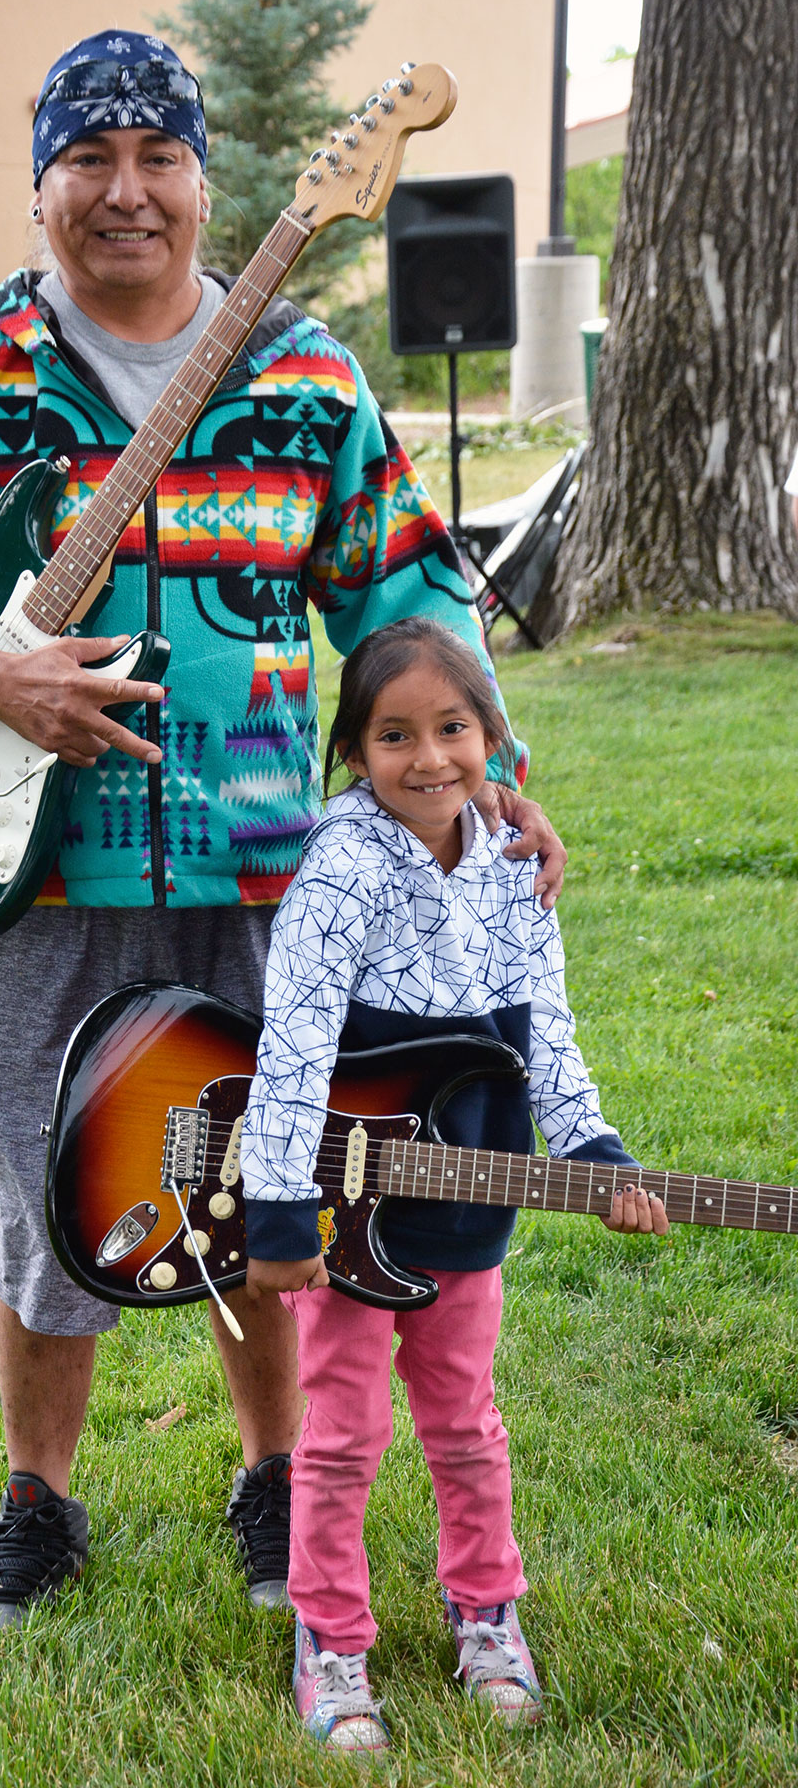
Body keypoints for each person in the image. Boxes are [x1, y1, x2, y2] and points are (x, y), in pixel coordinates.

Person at [0, 28, 566, 1632]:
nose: (126, 194)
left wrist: (481, 765)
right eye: (91, 162)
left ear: (208, 184)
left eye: (159, 161)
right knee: (34, 1190)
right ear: (45, 184)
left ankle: (274, 1483)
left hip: (275, 871)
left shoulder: (306, 379)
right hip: (33, 876)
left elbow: (405, 590)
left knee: (274, 1181)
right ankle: (39, 1502)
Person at [239, 618, 668, 1751]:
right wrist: (280, 1207)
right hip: (352, 1206)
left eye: (452, 729)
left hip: (473, 1194)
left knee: (466, 1424)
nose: (428, 759)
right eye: (394, 736)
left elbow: (550, 1039)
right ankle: (330, 1637)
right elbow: (292, 1040)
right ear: (354, 749)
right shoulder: (338, 868)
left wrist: (596, 1155)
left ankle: (486, 1611)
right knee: (341, 1432)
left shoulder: (514, 864)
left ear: (492, 737)